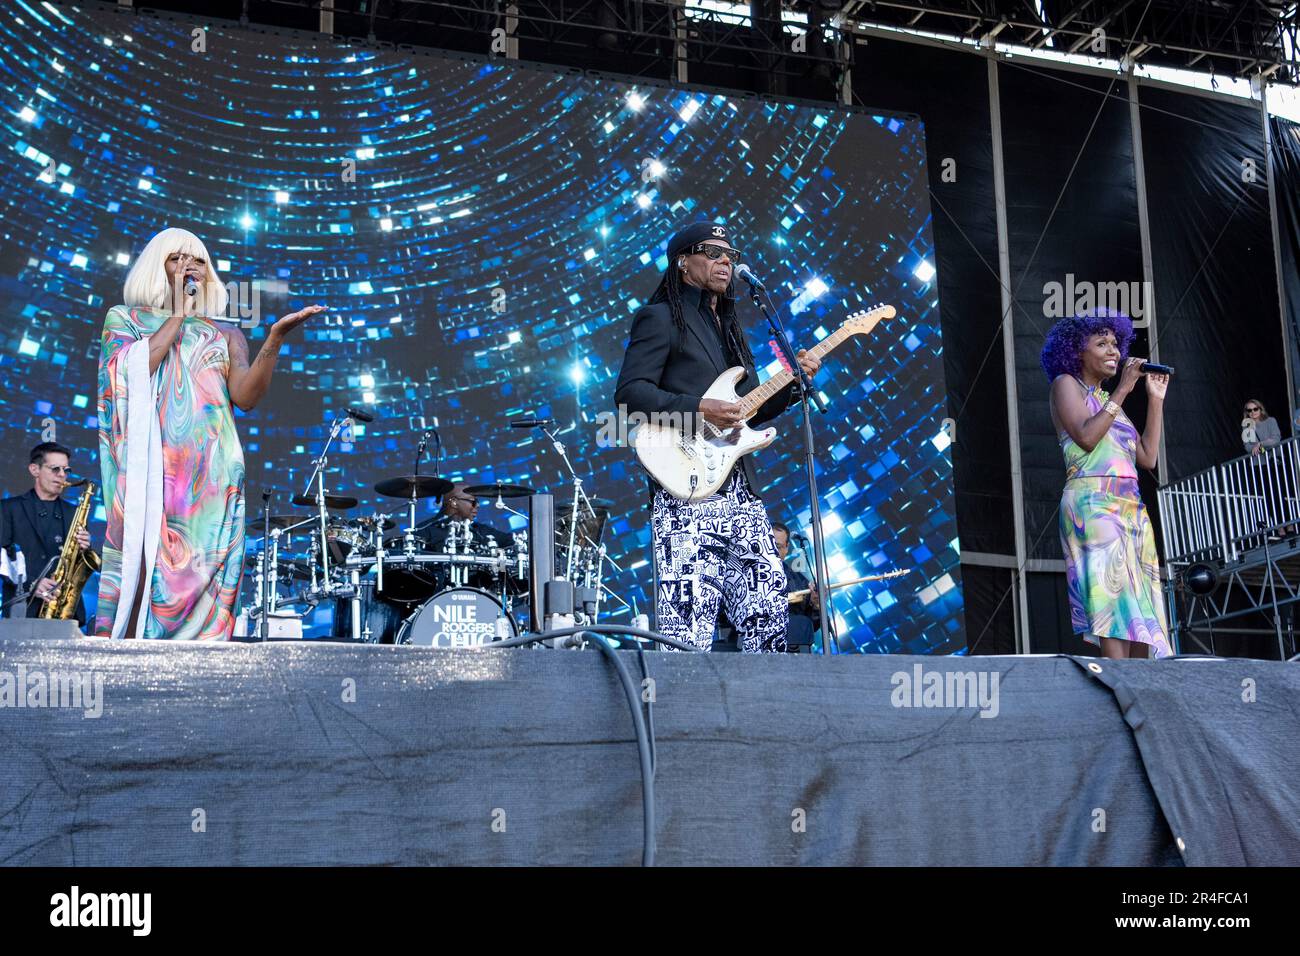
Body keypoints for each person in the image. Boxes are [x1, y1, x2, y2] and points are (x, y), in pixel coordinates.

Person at [96, 227, 325, 640]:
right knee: (148, 577)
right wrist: (179, 313)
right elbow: (129, 373)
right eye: (177, 258)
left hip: (216, 481)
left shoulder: (226, 333)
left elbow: (245, 396)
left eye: (198, 260)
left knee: (212, 587)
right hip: (156, 481)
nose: (190, 267)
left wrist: (273, 340)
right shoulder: (124, 319)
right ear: (156, 266)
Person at [614, 220, 820, 652]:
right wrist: (700, 407)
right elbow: (630, 395)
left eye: (731, 254)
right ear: (683, 263)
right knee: (686, 632)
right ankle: (682, 717)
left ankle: (761, 714)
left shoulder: (731, 331)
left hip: (741, 492)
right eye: (711, 252)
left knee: (768, 616)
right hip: (686, 491)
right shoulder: (659, 318)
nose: (725, 260)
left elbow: (751, 411)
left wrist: (795, 383)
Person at [1043, 311, 1172, 660]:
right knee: (1111, 598)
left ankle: (1141, 686)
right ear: (1076, 352)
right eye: (1101, 344)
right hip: (1092, 502)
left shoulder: (1108, 401)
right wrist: (1125, 388)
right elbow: (1086, 437)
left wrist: (1155, 401)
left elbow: (1146, 457)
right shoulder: (1066, 384)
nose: (1113, 350)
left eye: (1115, 343)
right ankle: (1119, 683)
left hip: (1131, 509)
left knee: (1141, 601)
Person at [0, 442, 97, 627]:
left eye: (66, 470)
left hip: (66, 613)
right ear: (34, 469)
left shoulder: (74, 512)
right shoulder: (7, 509)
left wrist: (85, 547)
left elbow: (81, 562)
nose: (62, 475)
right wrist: (31, 584)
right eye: (55, 469)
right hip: (23, 611)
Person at [772, 522, 818, 652]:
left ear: (786, 548)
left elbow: (809, 626)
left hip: (791, 651)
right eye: (769, 545)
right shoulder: (745, 574)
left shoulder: (798, 580)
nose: (773, 551)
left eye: (778, 546)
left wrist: (816, 604)